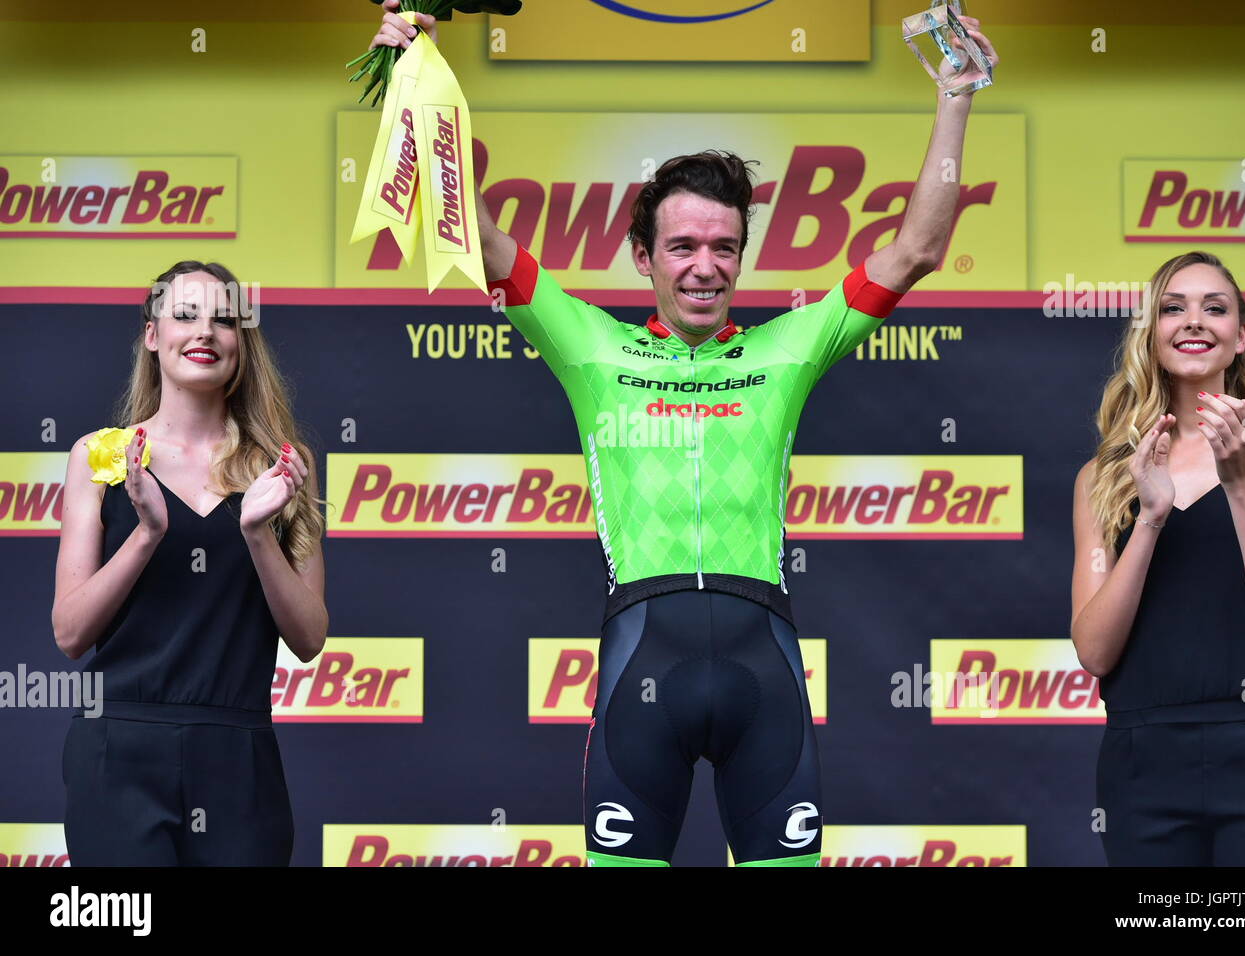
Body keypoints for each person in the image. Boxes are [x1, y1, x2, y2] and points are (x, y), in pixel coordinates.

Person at [372, 2, 998, 866]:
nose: (705, 266)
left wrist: (957, 97)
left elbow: (918, 249)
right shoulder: (592, 348)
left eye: (724, 246)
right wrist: (414, 85)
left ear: (742, 255)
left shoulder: (787, 349)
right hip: (642, 665)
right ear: (644, 256)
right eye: (682, 247)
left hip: (764, 669)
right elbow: (471, 234)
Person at [52, 261, 328, 866]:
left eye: (224, 320)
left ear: (241, 342)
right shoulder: (99, 457)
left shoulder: (283, 465)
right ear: (153, 335)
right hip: (118, 751)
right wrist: (148, 533)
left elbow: (309, 638)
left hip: (240, 755)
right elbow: (70, 633)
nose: (205, 331)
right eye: (185, 315)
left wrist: (256, 533)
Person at [1071, 251, 1245, 866]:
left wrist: (1242, 483)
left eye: (1214, 308)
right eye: (1174, 308)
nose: (1194, 320)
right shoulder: (1103, 476)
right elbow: (1094, 653)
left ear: (1240, 335)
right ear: (1151, 332)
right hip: (1142, 760)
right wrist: (1150, 517)